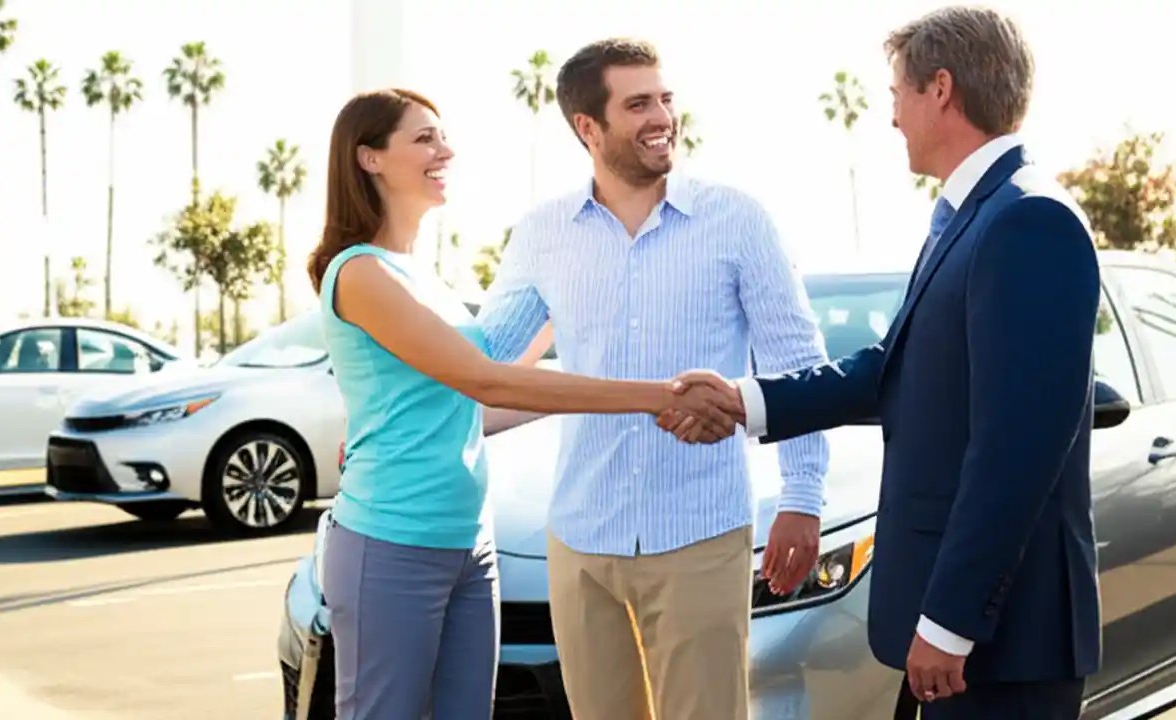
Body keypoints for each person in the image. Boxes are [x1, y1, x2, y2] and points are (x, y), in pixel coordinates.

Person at [667, 7, 1101, 719]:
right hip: (968, 635)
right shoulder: (970, 215)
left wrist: (951, 621)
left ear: (940, 88)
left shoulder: (1029, 220)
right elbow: (896, 369)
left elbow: (1015, 452)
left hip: (1005, 639)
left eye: (895, 93)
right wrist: (746, 401)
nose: (891, 115)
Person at [309, 88, 735, 720]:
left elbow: (478, 409)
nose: (445, 150)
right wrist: (660, 396)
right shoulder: (359, 274)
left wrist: (577, 292)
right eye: (424, 138)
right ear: (368, 158)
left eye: (441, 135)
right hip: (391, 542)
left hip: (469, 544)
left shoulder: (422, 276)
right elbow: (489, 381)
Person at [476, 39, 831, 720]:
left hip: (699, 530)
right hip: (581, 536)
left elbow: (796, 361)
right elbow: (485, 355)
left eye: (665, 98)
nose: (661, 115)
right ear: (588, 126)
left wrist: (803, 496)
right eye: (637, 103)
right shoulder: (543, 232)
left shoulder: (737, 219)